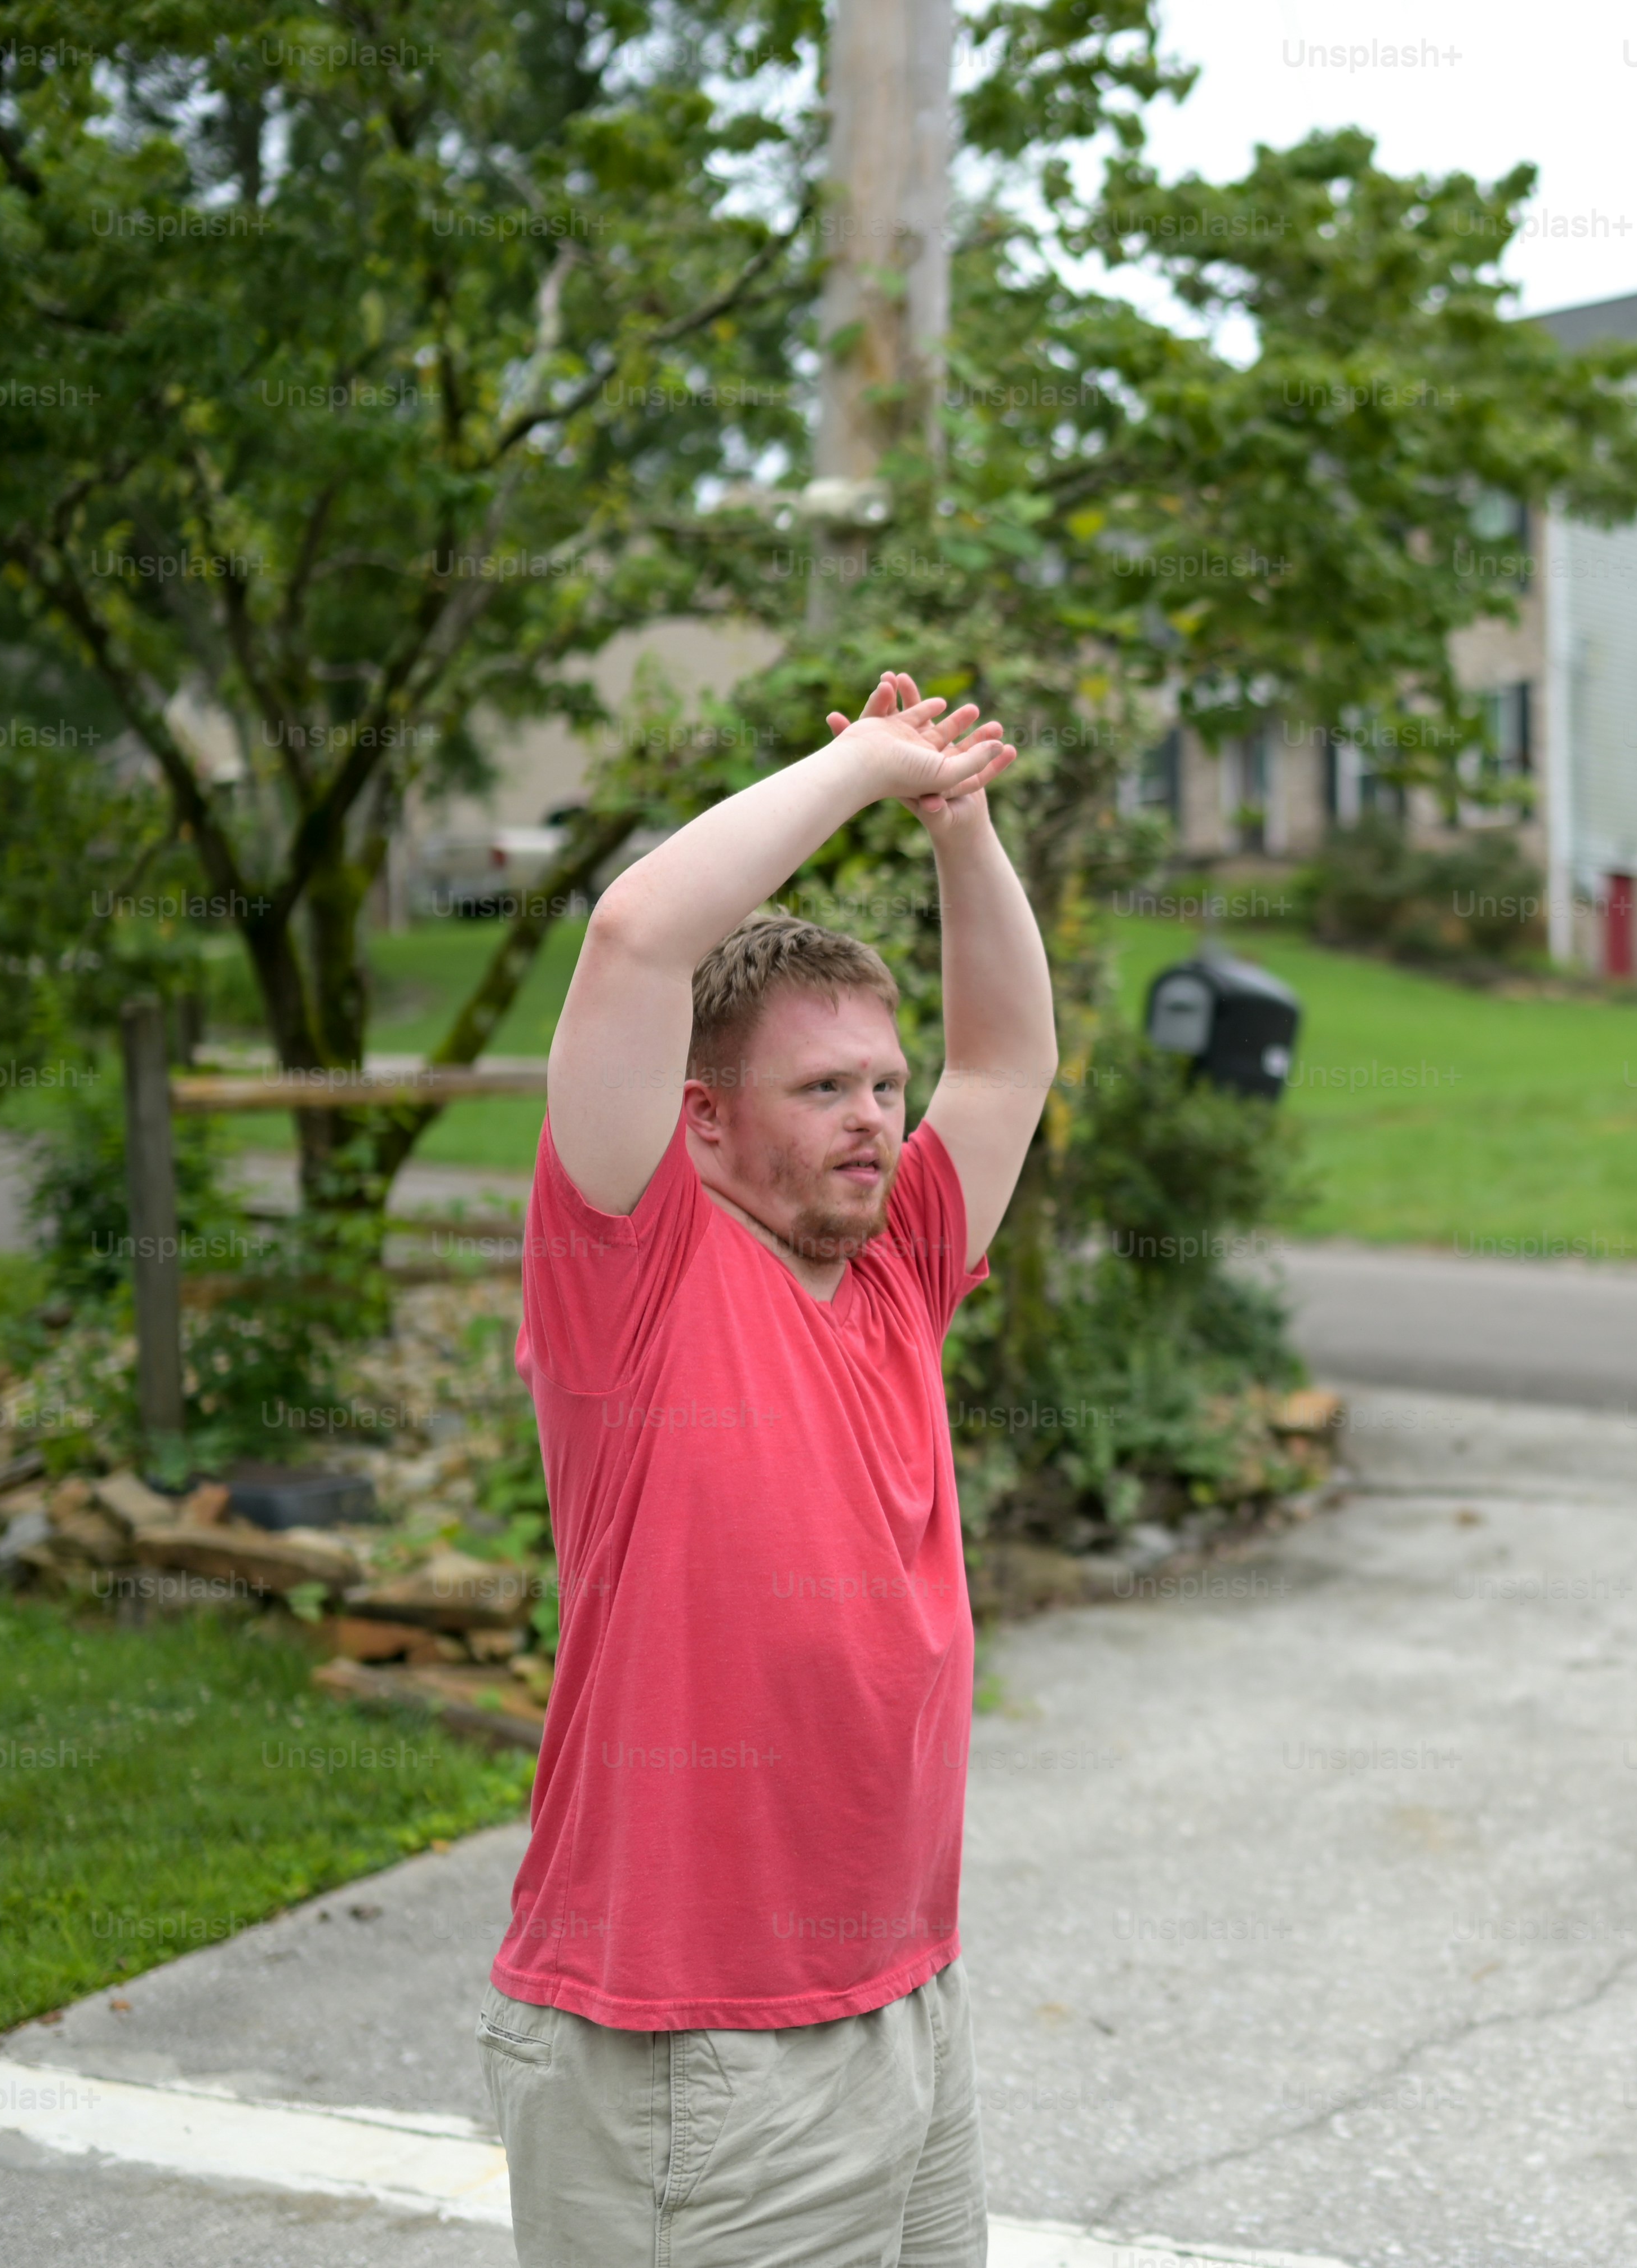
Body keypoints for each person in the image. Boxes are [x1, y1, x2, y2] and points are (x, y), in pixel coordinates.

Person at [474, 671, 1053, 2267]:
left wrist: (960, 824)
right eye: (825, 1092)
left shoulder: (895, 1271)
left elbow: (1003, 1070)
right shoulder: (634, 1271)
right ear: (705, 1125)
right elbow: (636, 939)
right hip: (694, 2051)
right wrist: (857, 771)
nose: (878, 1121)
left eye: (881, 1084)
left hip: (900, 2008)